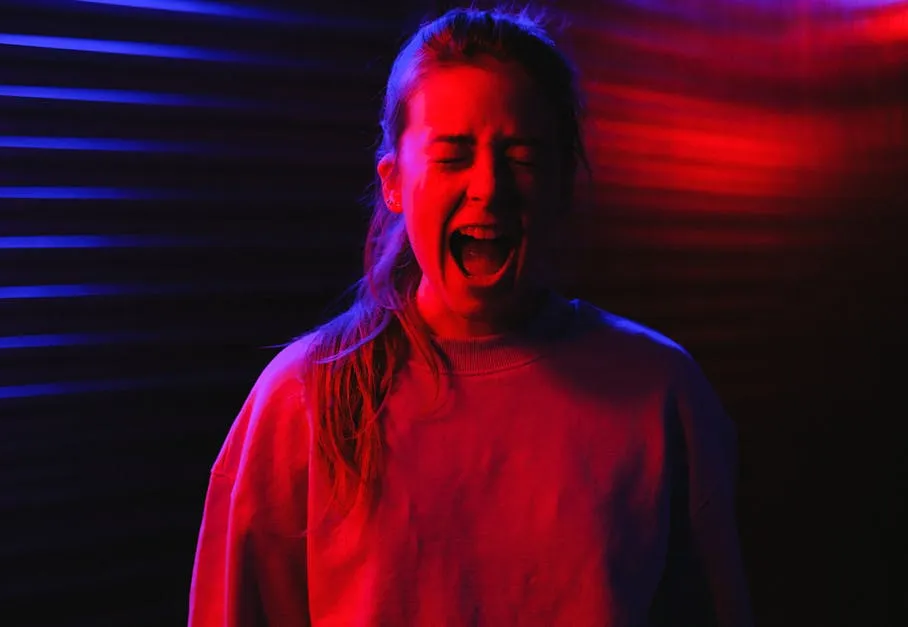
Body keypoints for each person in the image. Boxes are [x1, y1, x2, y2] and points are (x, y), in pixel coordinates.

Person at [188, 6, 755, 626]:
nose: (489, 187)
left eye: (521, 156)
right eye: (453, 155)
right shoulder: (301, 401)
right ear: (394, 182)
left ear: (564, 179)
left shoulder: (661, 393)